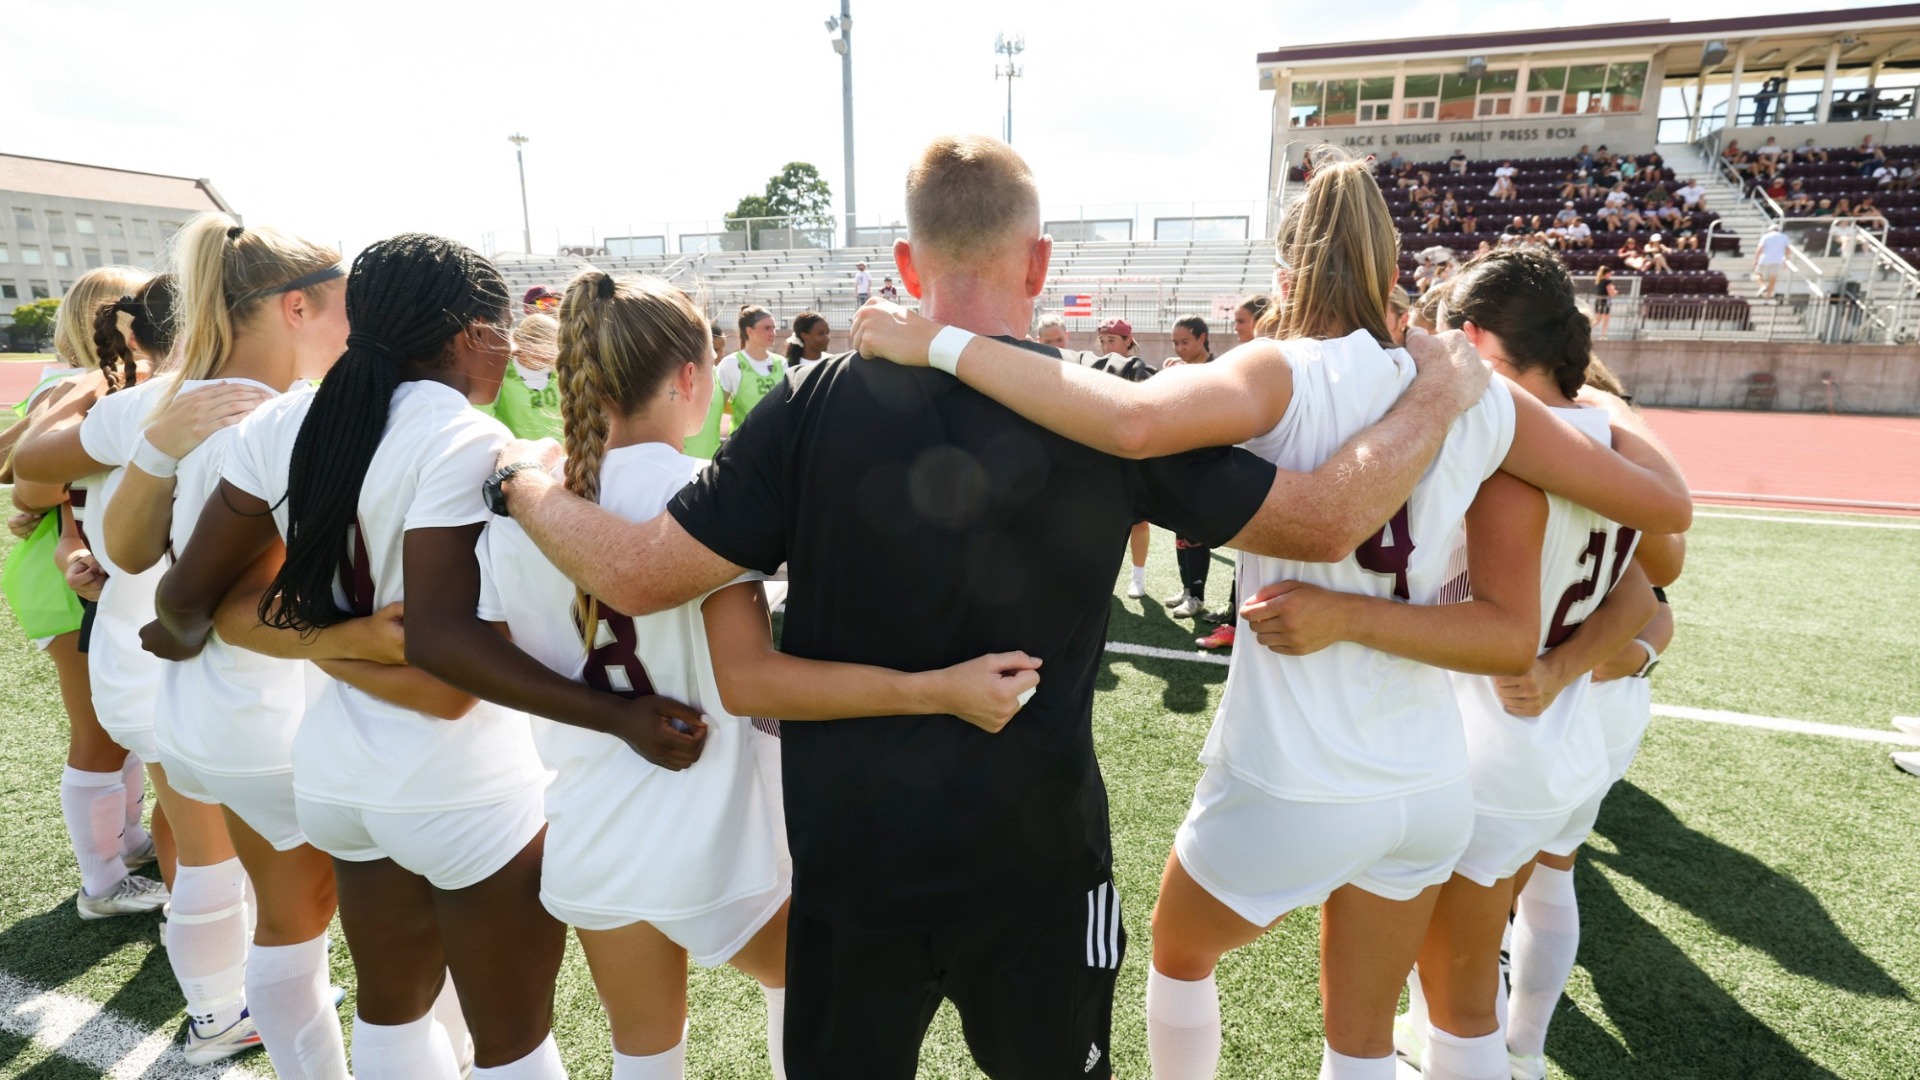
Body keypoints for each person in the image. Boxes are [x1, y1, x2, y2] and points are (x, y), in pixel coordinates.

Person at [492, 134, 1502, 1079]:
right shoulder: (1104, 406)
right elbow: (1325, 520)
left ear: (905, 262)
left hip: (857, 859)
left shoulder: (808, 403)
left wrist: (521, 483)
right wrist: (1435, 394)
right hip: (1038, 860)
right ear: (1040, 263)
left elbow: (636, 574)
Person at [849, 150, 1691, 1080]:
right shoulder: (1473, 393)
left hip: (1296, 768)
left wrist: (938, 342)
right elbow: (1665, 509)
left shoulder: (1280, 371)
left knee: (1180, 955)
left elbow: (1131, 421)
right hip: (1428, 781)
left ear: (1287, 276)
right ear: (1390, 270)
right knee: (1364, 1042)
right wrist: (1592, 402)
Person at [466, 272, 1038, 1079]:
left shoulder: (525, 507)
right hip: (716, 838)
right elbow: (753, 682)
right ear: (690, 377)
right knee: (819, 1006)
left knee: (644, 1060)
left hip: (591, 832)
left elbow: (500, 656)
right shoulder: (698, 498)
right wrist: (934, 689)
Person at [153, 235, 589, 1079]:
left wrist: (326, 642)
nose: (509, 345)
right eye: (502, 327)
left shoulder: (282, 421)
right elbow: (445, 684)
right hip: (460, 778)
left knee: (391, 1010)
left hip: (337, 773)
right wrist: (622, 716)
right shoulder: (464, 437)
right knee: (512, 1039)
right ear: (470, 332)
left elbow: (186, 604)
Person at [121, 215, 406, 1076]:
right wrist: (363, 635)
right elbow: (247, 599)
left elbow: (130, 553)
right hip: (270, 714)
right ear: (295, 308)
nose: (359, 322)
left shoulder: (200, 403)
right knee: (351, 928)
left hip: (208, 711)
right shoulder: (275, 420)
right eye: (347, 302)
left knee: (288, 919)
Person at [1381, 250, 1662, 1080]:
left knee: (1460, 1003)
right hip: (1560, 750)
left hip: (1491, 757)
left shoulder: (1507, 443)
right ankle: (1520, 1054)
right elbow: (1641, 595)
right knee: (1491, 959)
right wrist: (1561, 671)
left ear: (1472, 339)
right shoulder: (1610, 440)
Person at [14, 257, 301, 1061]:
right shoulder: (232, 404)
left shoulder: (141, 400)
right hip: (192, 663)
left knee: (196, 838)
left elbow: (30, 473)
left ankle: (223, 1001)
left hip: (131, 655)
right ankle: (221, 1011)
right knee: (229, 854)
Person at [4, 266, 166, 924]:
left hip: (74, 562)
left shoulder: (89, 383)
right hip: (69, 574)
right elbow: (33, 478)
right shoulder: (82, 386)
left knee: (122, 726)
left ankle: (125, 843)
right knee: (99, 731)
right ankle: (102, 882)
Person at [1095, 316, 1157, 600]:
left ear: (1128, 341)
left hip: (1133, 457)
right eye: (1103, 341)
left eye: (1112, 340)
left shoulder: (1141, 371)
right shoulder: (1095, 369)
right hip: (1103, 456)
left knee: (1138, 521)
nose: (1107, 346)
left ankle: (1138, 576)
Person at [1163, 316, 1217, 620]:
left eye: (1185, 342)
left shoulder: (1218, 370)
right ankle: (1187, 590)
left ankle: (1197, 596)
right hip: (1180, 461)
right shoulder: (1178, 369)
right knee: (1181, 530)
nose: (1179, 348)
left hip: (1205, 463)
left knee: (1196, 531)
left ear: (1202, 338)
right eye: (1175, 342)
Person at [478, 313, 563, 440]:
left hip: (563, 451)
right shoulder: (500, 372)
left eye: (555, 347)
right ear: (523, 343)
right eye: (546, 347)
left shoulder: (562, 372)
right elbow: (484, 417)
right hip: (517, 450)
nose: (551, 354)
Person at [717, 306, 787, 435]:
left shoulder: (781, 363)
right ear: (749, 331)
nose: (773, 333)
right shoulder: (731, 363)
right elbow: (717, 409)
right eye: (767, 328)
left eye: (773, 328)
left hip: (775, 442)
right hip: (744, 442)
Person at [685, 323, 727, 461]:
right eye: (716, 349)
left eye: (722, 349)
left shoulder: (715, 375)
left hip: (709, 462)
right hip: (684, 462)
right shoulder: (683, 378)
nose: (720, 355)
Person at [1755, 223, 1792, 299]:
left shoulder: (1766, 236)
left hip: (1764, 259)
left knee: (1758, 275)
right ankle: (1767, 299)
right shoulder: (1784, 237)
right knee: (1773, 280)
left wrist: (1755, 259)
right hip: (1777, 260)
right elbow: (1788, 249)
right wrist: (1786, 260)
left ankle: (1762, 286)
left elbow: (1759, 248)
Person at [1592, 265, 1617, 339]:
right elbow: (1611, 293)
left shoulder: (1598, 281)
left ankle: (1586, 330)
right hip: (1605, 302)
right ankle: (1603, 336)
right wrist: (1615, 291)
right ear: (1606, 273)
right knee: (1605, 320)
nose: (1610, 275)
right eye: (1609, 273)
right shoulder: (1607, 282)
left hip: (1598, 301)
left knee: (1597, 320)